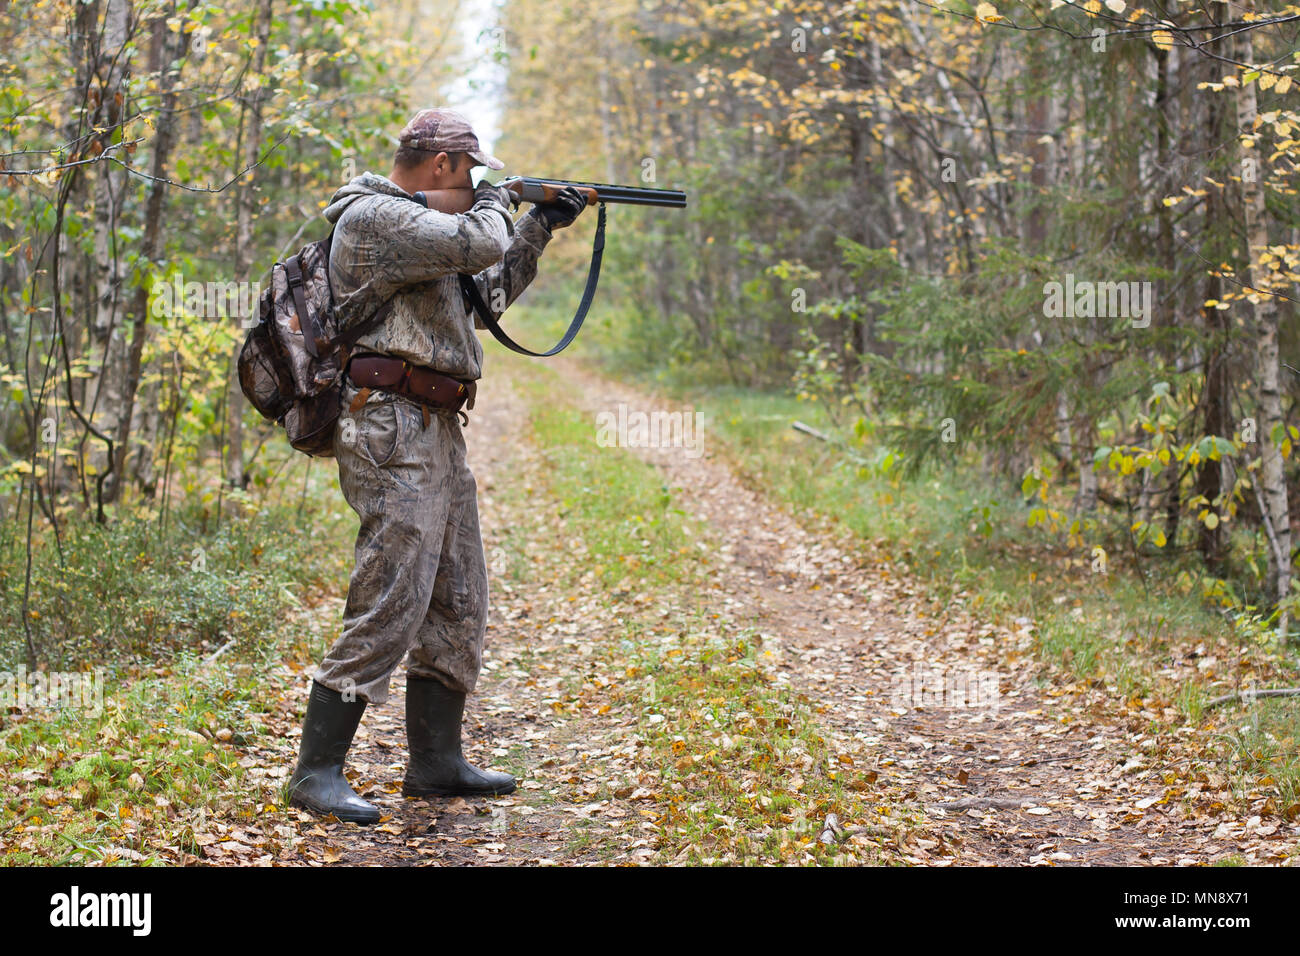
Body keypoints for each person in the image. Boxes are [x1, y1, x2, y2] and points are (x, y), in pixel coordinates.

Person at [287, 108, 587, 824]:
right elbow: (480, 240)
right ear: (444, 165)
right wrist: (501, 200)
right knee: (392, 592)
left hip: (438, 424)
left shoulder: (436, 235)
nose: (480, 182)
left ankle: (435, 761)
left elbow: (489, 293)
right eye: (472, 171)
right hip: (390, 425)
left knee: (458, 594)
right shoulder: (372, 220)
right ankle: (315, 772)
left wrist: (541, 224)